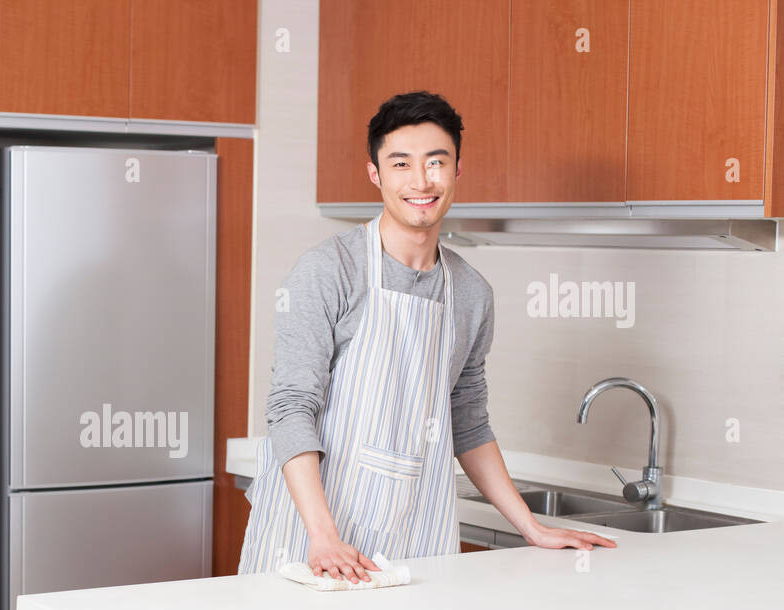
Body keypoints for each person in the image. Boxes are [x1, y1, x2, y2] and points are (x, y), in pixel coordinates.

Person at [238, 90, 615, 580]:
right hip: (309, 536)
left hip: (414, 538)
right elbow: (291, 407)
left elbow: (468, 422)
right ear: (375, 174)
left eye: (436, 163)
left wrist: (531, 526)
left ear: (457, 171)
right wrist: (323, 536)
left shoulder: (471, 294)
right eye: (401, 164)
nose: (420, 181)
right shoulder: (328, 271)